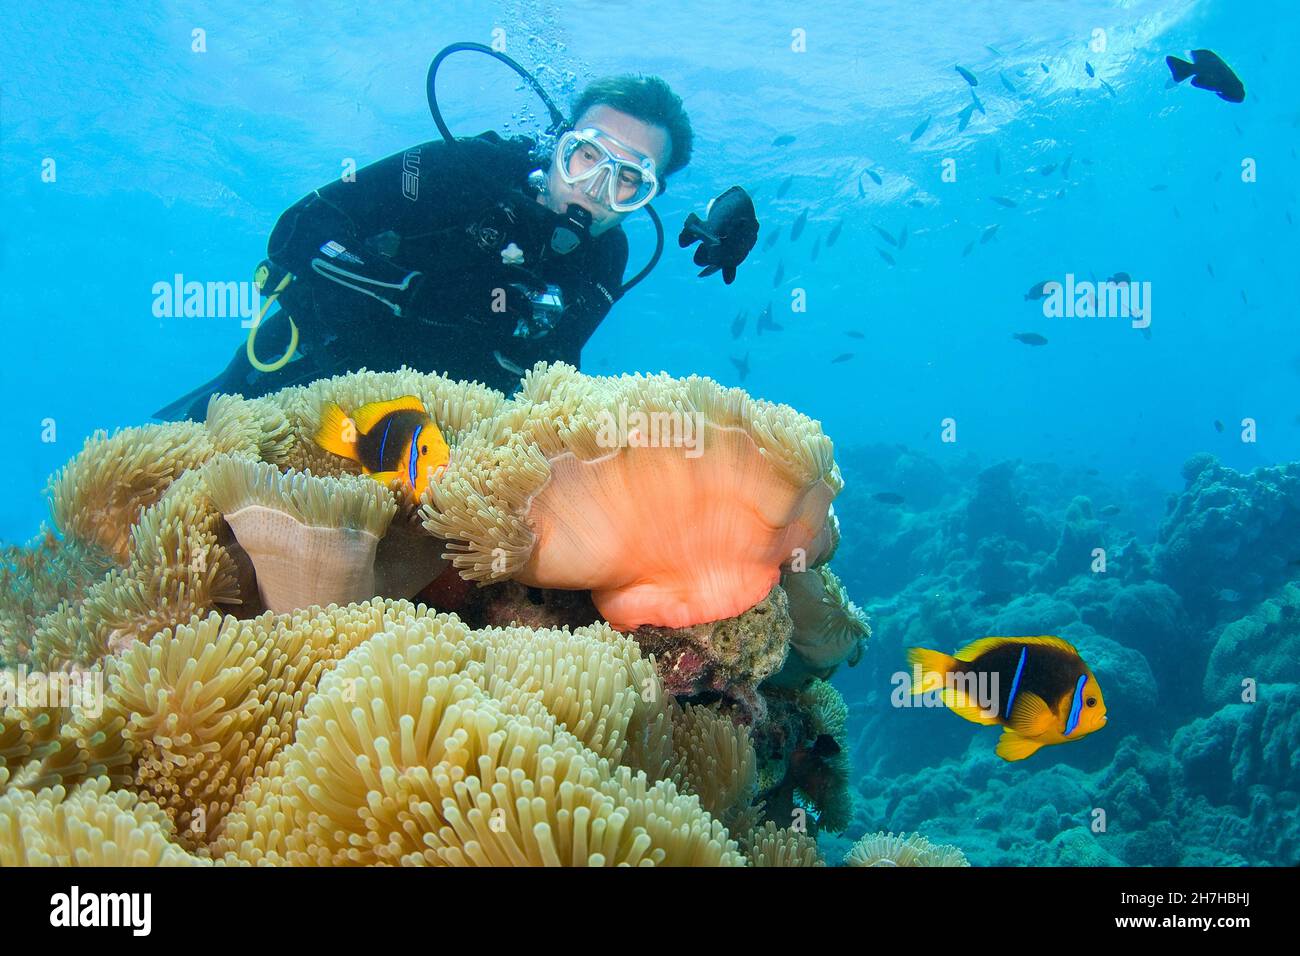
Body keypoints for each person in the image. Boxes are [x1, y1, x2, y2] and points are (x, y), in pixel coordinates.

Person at [154, 74, 695, 420]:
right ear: (560, 143)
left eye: (629, 180)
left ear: (649, 196)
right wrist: (416, 293)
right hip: (301, 371)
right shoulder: (460, 171)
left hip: (427, 451)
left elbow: (552, 376)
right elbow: (300, 230)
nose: (596, 189)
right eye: (587, 156)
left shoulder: (608, 257)